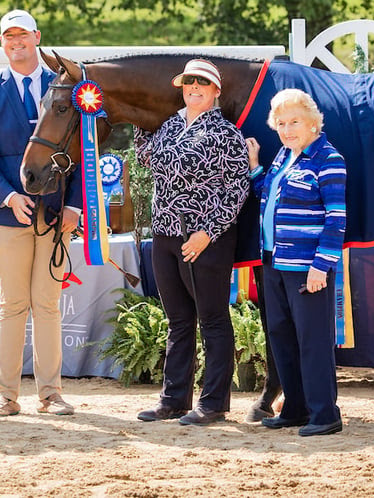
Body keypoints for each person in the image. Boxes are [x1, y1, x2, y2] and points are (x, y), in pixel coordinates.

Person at [0, 9, 82, 417]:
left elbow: (82, 149)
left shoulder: (65, 85)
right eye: (8, 37)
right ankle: (6, 395)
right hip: (9, 214)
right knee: (13, 304)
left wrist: (74, 205)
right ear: (2, 43)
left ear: (37, 36)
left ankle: (50, 393)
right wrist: (9, 198)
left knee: (47, 304)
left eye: (22, 35)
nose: (16, 43)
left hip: (56, 215)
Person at [134, 59, 249, 426]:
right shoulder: (169, 125)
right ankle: (174, 400)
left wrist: (208, 232)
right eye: (189, 82)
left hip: (204, 238)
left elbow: (237, 188)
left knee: (213, 319)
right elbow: (146, 158)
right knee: (178, 320)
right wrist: (140, 120)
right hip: (165, 233)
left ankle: (213, 402)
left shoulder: (226, 134)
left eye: (202, 83)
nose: (194, 87)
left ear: (216, 90)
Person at [245, 89, 346, 436]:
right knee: (282, 337)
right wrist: (256, 169)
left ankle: (325, 414)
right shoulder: (283, 158)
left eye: (295, 122)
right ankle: (295, 408)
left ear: (313, 123)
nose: (287, 130)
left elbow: (336, 218)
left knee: (312, 340)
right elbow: (268, 197)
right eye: (282, 123)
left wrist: (322, 265)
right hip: (273, 263)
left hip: (307, 268)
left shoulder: (328, 159)